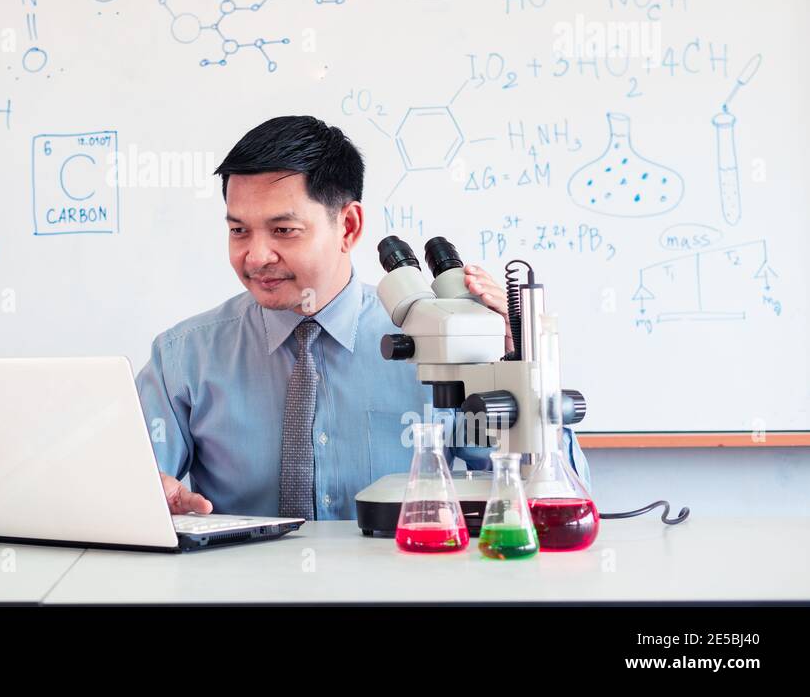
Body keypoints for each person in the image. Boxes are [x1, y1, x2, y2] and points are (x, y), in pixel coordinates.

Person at [135, 115, 592, 519]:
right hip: (240, 586)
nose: (255, 256)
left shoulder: (440, 342)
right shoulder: (183, 358)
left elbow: (553, 497)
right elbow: (130, 485)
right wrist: (144, 496)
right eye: (239, 230)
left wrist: (520, 370)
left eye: (283, 230)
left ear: (349, 226)